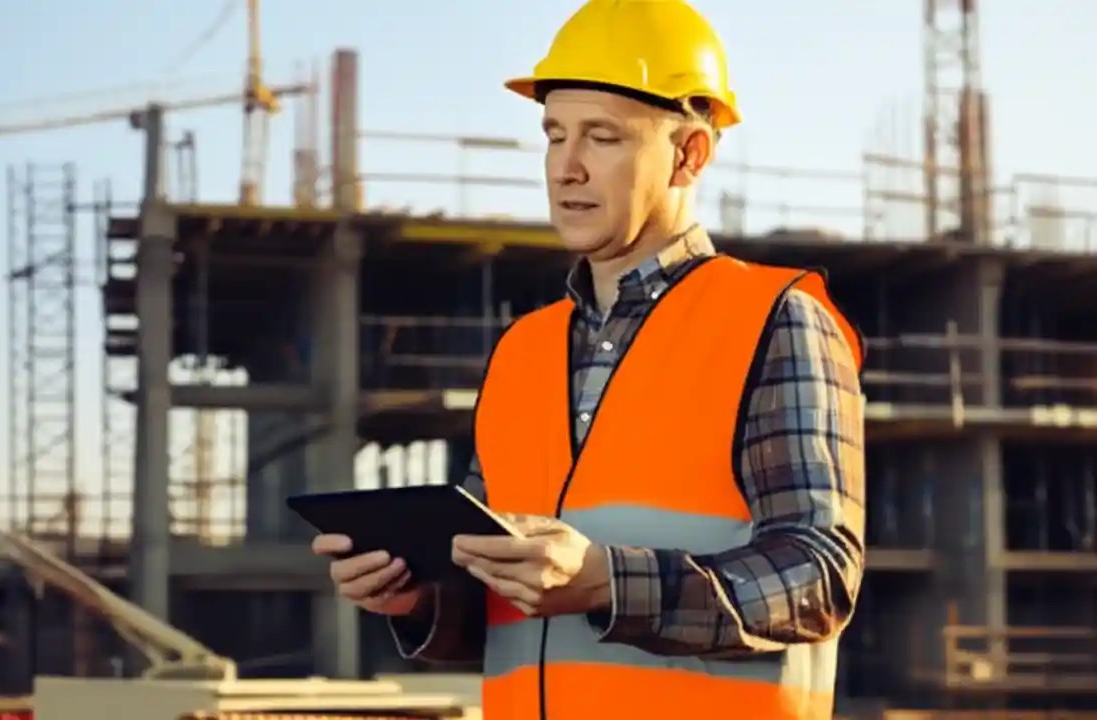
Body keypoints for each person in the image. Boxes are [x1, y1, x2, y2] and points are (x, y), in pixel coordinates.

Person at [311, 1, 867, 718]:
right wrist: (416, 595)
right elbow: (500, 602)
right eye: (554, 135)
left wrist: (607, 580)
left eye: (601, 138)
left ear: (690, 154)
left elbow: (818, 579)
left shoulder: (776, 319)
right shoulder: (523, 350)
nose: (566, 168)